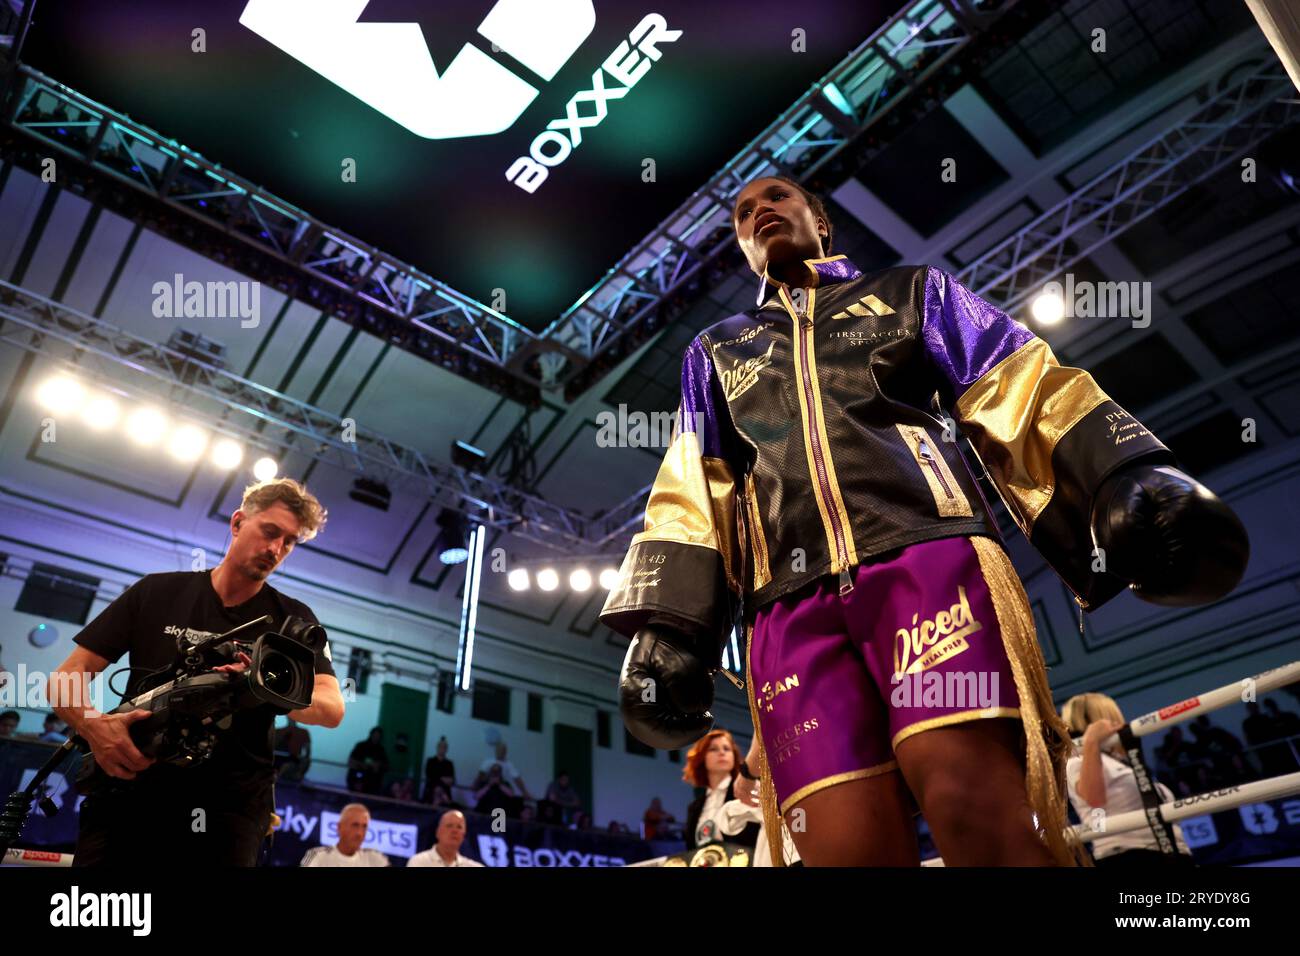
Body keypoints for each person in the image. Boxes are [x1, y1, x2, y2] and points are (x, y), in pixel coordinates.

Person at [601, 174, 1250, 866]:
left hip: (927, 572)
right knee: (843, 852)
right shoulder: (715, 353)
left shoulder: (913, 292)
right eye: (742, 212)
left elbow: (1017, 380)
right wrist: (670, 622)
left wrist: (1121, 469)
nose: (759, 211)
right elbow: (697, 481)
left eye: (777, 198)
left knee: (975, 810)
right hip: (787, 615)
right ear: (743, 248)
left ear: (821, 222)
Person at [51, 478, 343, 867]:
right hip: (130, 788)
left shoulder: (294, 621)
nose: (276, 549)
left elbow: (331, 707)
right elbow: (67, 675)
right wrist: (94, 727)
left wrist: (263, 684)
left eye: (289, 542)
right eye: (269, 532)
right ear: (238, 523)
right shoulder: (156, 592)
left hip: (230, 809)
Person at [1061, 693, 1193, 867]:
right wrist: (1092, 741)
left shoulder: (1123, 761)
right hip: (1129, 856)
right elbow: (1094, 799)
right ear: (1102, 718)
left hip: (1172, 853)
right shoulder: (1078, 759)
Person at [681, 729, 759, 851]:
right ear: (702, 758)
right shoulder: (693, 807)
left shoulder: (749, 788)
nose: (722, 752)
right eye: (713, 749)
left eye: (727, 749)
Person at [301, 803, 389, 867]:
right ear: (340, 827)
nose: (359, 833)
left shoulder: (375, 859)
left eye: (364, 827)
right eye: (355, 825)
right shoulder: (317, 856)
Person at [407, 809, 483, 867]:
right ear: (438, 832)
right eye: (449, 825)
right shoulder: (418, 862)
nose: (454, 831)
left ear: (463, 836)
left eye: (459, 827)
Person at [347, 727, 389, 794]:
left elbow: (386, 766)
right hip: (357, 779)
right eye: (375, 735)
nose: (376, 737)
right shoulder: (361, 746)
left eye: (378, 735)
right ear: (371, 734)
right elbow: (351, 761)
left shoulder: (381, 750)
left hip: (372, 783)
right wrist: (362, 765)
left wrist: (378, 765)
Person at [273, 716, 311, 782]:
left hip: (293, 760)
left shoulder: (303, 732)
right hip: (279, 759)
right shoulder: (278, 731)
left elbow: (307, 752)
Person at [422, 736, 456, 804]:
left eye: (444, 747)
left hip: (445, 790)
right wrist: (443, 778)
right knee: (438, 791)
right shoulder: (430, 761)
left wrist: (440, 778)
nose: (442, 749)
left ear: (446, 749)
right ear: (437, 747)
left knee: (440, 793)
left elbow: (452, 780)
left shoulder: (449, 763)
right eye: (441, 747)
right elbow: (429, 775)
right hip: (431, 789)